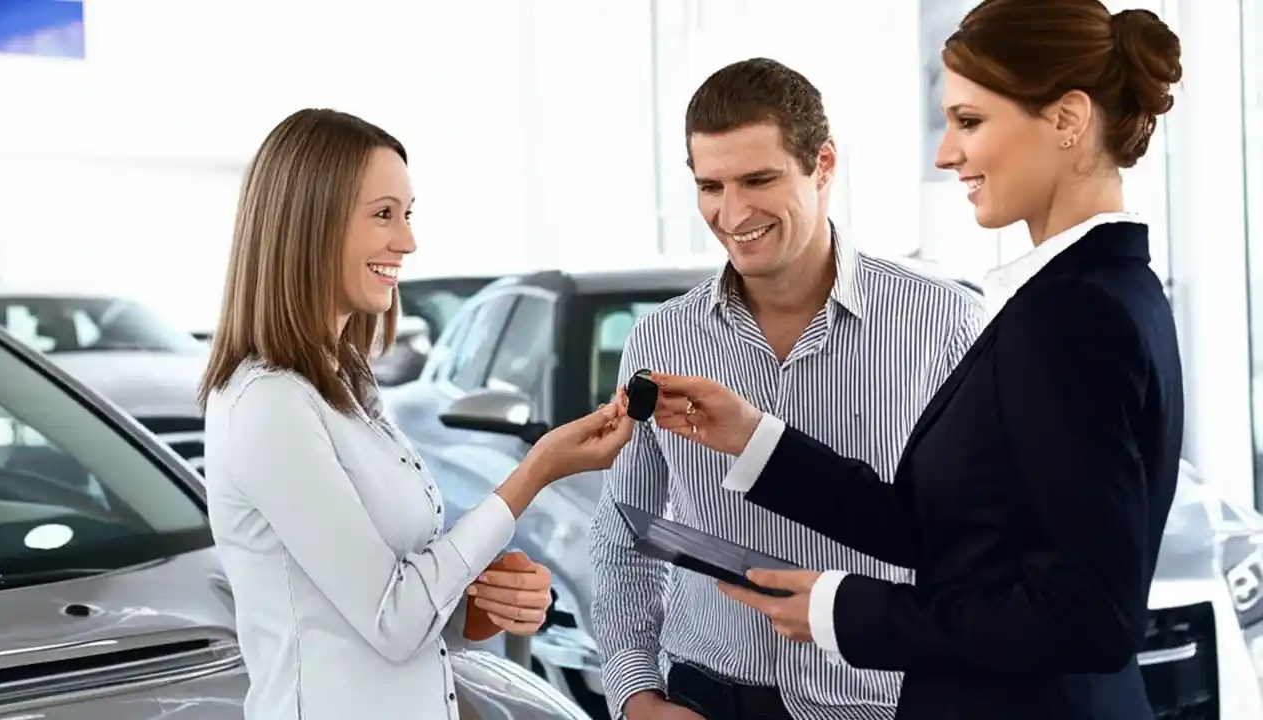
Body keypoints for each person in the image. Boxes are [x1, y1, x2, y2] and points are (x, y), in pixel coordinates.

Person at [648, 2, 1185, 719]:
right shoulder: (1089, 292)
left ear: (1067, 119)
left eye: (970, 121)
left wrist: (844, 612)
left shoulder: (1072, 314)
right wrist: (754, 438)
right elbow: (945, 531)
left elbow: (1086, 617)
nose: (945, 154)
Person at [197, 108, 634, 720]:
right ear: (311, 223)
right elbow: (393, 621)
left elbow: (416, 622)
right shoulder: (268, 404)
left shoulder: (348, 385)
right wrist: (535, 473)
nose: (406, 241)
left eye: (407, 214)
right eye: (383, 214)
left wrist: (488, 603)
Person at [589, 58, 987, 720]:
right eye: (710, 185)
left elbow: (978, 549)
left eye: (758, 179)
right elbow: (624, 534)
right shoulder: (660, 338)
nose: (731, 212)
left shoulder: (944, 324)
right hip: (707, 697)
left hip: (880, 703)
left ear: (823, 164)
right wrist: (636, 696)